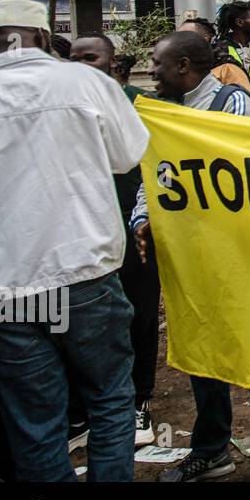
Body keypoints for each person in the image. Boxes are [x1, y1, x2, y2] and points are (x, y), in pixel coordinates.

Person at [0, 0, 148, 481]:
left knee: (34, 420)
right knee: (109, 396)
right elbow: (128, 156)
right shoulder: (86, 83)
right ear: (47, 38)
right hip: (84, 271)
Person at [129, 31, 250, 482]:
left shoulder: (231, 104)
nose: (153, 71)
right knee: (205, 351)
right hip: (194, 258)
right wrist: (142, 219)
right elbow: (156, 174)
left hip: (242, 256)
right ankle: (211, 448)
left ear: (184, 66)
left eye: (158, 63)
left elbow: (237, 170)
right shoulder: (166, 117)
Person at [70, 33, 160, 448]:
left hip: (133, 230)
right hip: (82, 238)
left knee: (139, 320)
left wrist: (144, 218)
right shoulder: (63, 108)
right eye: (75, 58)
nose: (83, 64)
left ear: (114, 65)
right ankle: (85, 409)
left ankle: (139, 401)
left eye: (92, 57)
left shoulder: (140, 105)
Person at [181, 16, 250, 92]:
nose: (177, 40)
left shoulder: (227, 68)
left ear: (205, 39)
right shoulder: (180, 65)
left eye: (184, 36)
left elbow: (243, 100)